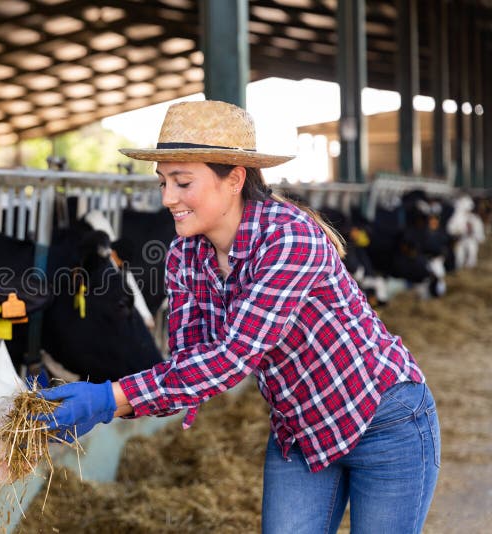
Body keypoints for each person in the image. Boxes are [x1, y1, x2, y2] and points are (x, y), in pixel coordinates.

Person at [38, 100, 440, 533]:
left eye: (182, 182)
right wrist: (103, 407)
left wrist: (107, 398)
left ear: (234, 178)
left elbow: (232, 358)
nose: (167, 198)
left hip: (385, 420)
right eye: (162, 183)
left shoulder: (289, 238)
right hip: (300, 432)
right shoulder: (183, 255)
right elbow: (190, 368)